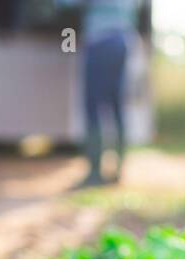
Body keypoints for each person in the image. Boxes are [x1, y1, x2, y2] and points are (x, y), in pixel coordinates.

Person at [59, 0, 141, 187]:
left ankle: (95, 173)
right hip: (123, 40)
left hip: (100, 41)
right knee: (116, 105)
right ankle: (118, 171)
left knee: (93, 106)